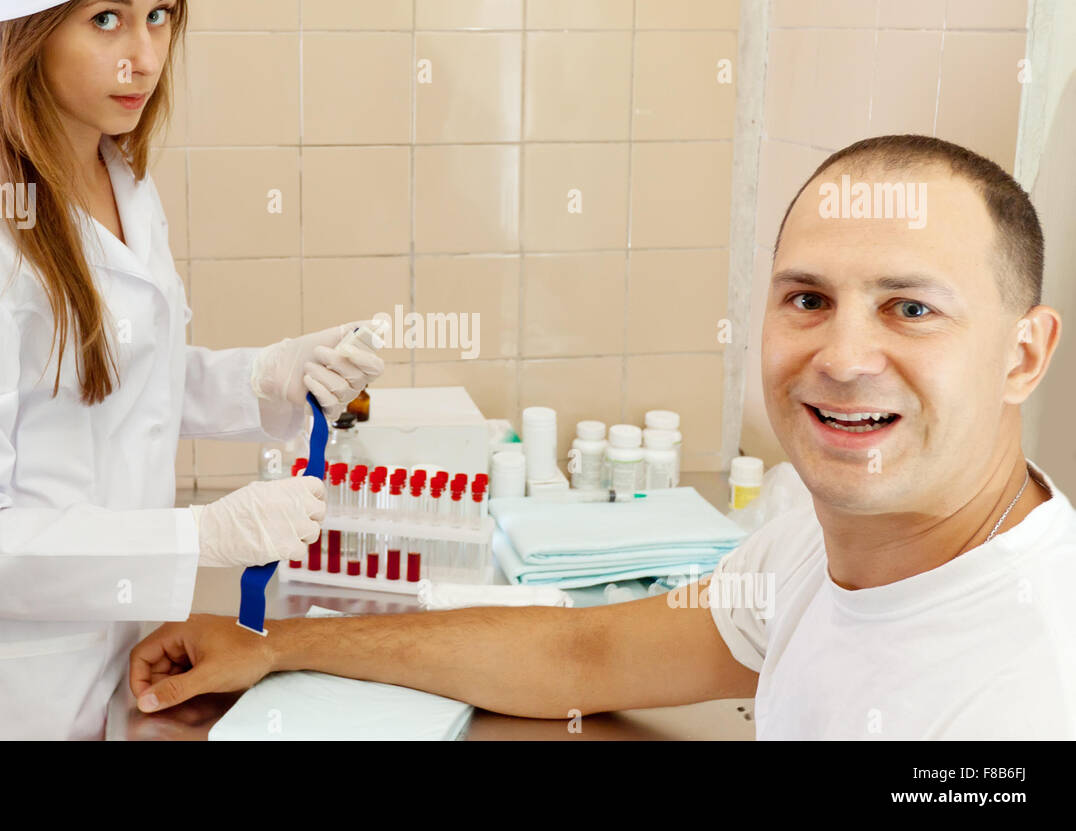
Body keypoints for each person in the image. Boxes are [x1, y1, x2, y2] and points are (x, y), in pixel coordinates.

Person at [130, 134, 1076, 740]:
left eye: (911, 308)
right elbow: (586, 656)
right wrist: (275, 643)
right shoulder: (820, 544)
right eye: (808, 300)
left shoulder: (1028, 685)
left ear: (1023, 354)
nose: (843, 355)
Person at [0, 0, 383, 740]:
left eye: (160, 15)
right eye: (106, 19)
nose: (144, 55)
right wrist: (201, 535)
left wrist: (265, 379)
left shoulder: (114, 173)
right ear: (27, 32)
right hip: (4, 700)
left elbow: (114, 377)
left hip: (122, 661)